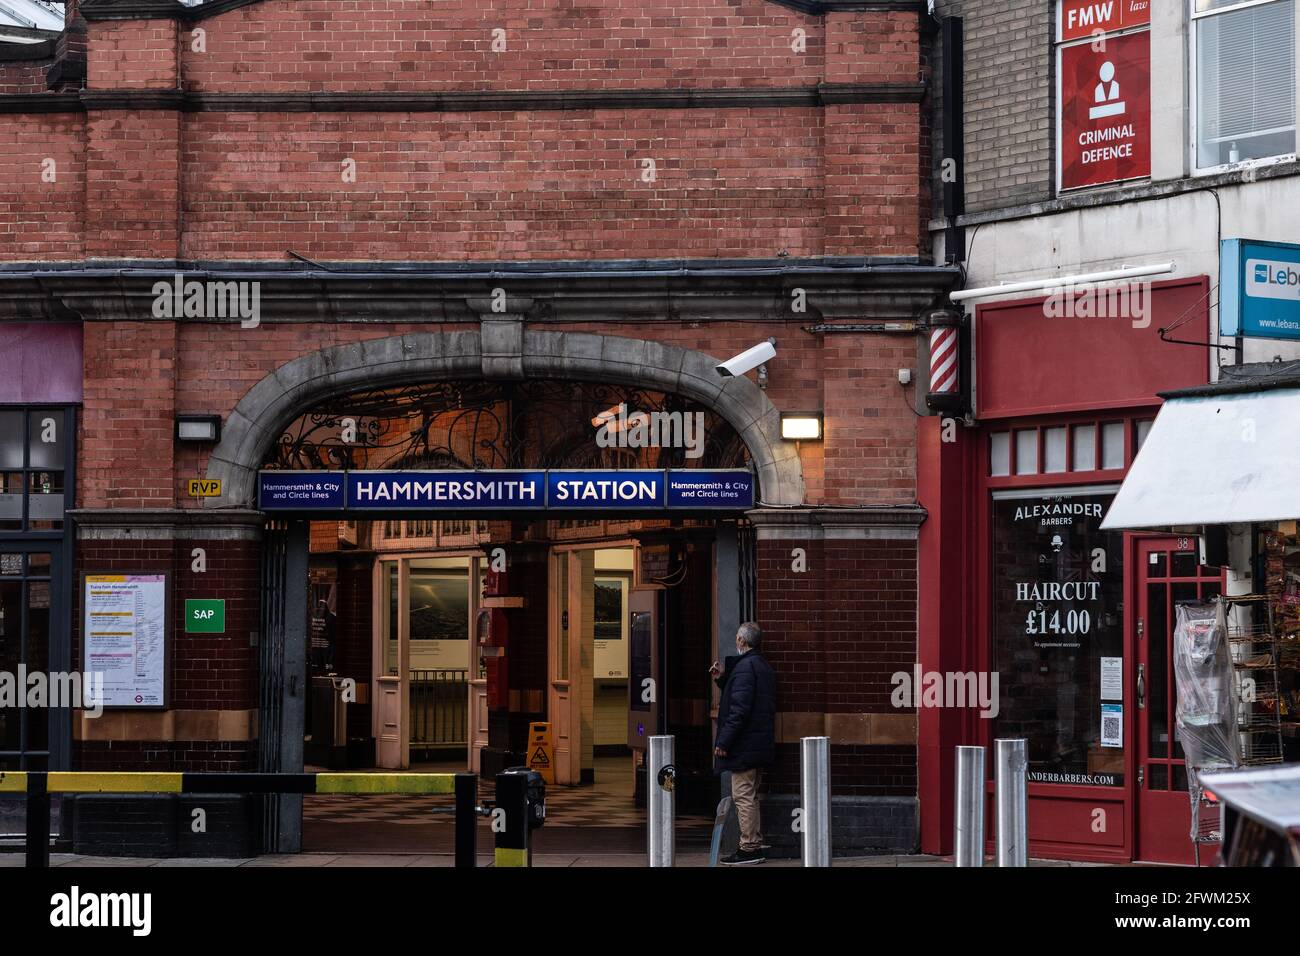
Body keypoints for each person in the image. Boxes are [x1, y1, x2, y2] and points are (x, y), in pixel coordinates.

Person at [710, 621, 776, 865]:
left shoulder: (746, 668)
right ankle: (754, 842)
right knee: (751, 795)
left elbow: (739, 711)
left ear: (741, 641)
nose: (736, 640)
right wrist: (722, 680)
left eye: (737, 637)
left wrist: (723, 742)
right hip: (758, 743)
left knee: (742, 796)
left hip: (745, 746)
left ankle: (749, 848)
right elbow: (746, 698)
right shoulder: (760, 666)